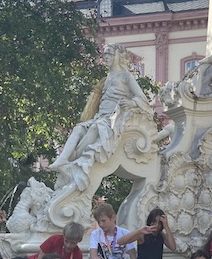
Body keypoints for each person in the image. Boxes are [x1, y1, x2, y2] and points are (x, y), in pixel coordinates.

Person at [48, 43, 153, 173]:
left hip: (113, 118)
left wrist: (132, 103)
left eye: (109, 53)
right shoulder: (107, 78)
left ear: (117, 56)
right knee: (78, 129)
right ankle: (63, 159)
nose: (106, 57)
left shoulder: (126, 76)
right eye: (104, 54)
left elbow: (142, 97)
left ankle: (74, 160)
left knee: (94, 129)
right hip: (101, 117)